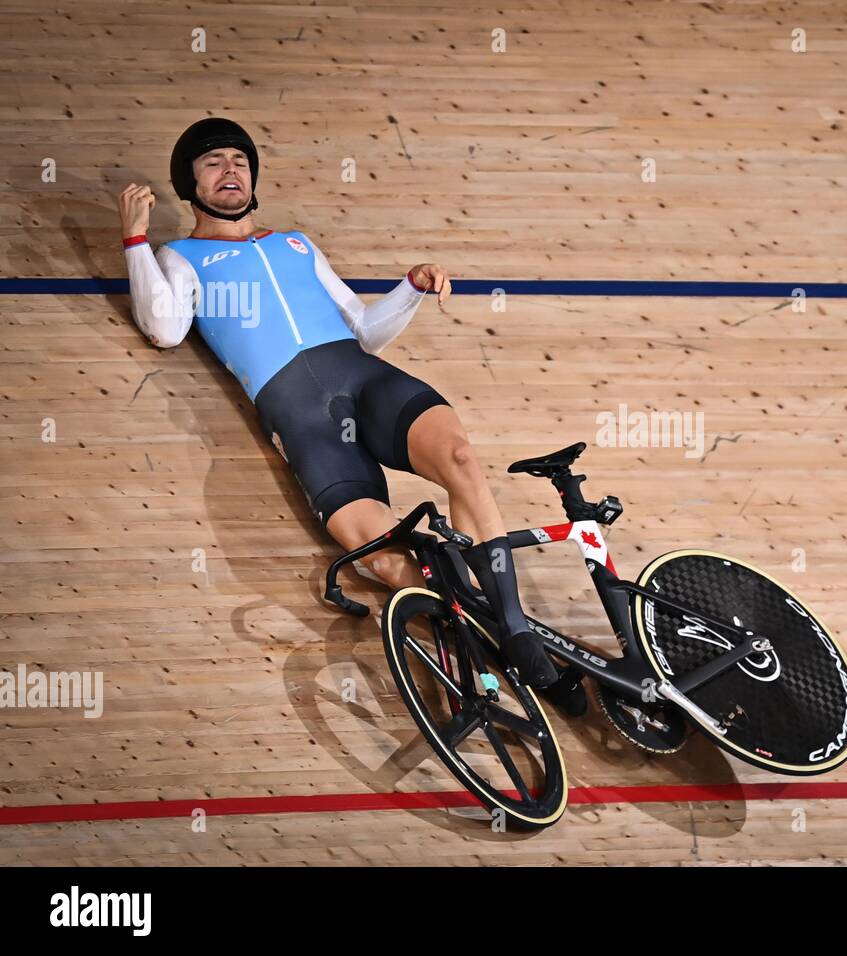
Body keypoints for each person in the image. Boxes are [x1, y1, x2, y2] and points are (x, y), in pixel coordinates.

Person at [117, 117, 558, 688]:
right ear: (190, 183)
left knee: (462, 461)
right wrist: (134, 240)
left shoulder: (296, 244)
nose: (231, 170)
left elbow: (365, 330)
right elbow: (164, 329)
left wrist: (410, 288)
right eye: (213, 162)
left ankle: (517, 629)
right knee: (376, 554)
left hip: (365, 380)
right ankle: (485, 626)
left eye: (240, 162)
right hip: (300, 415)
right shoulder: (180, 256)